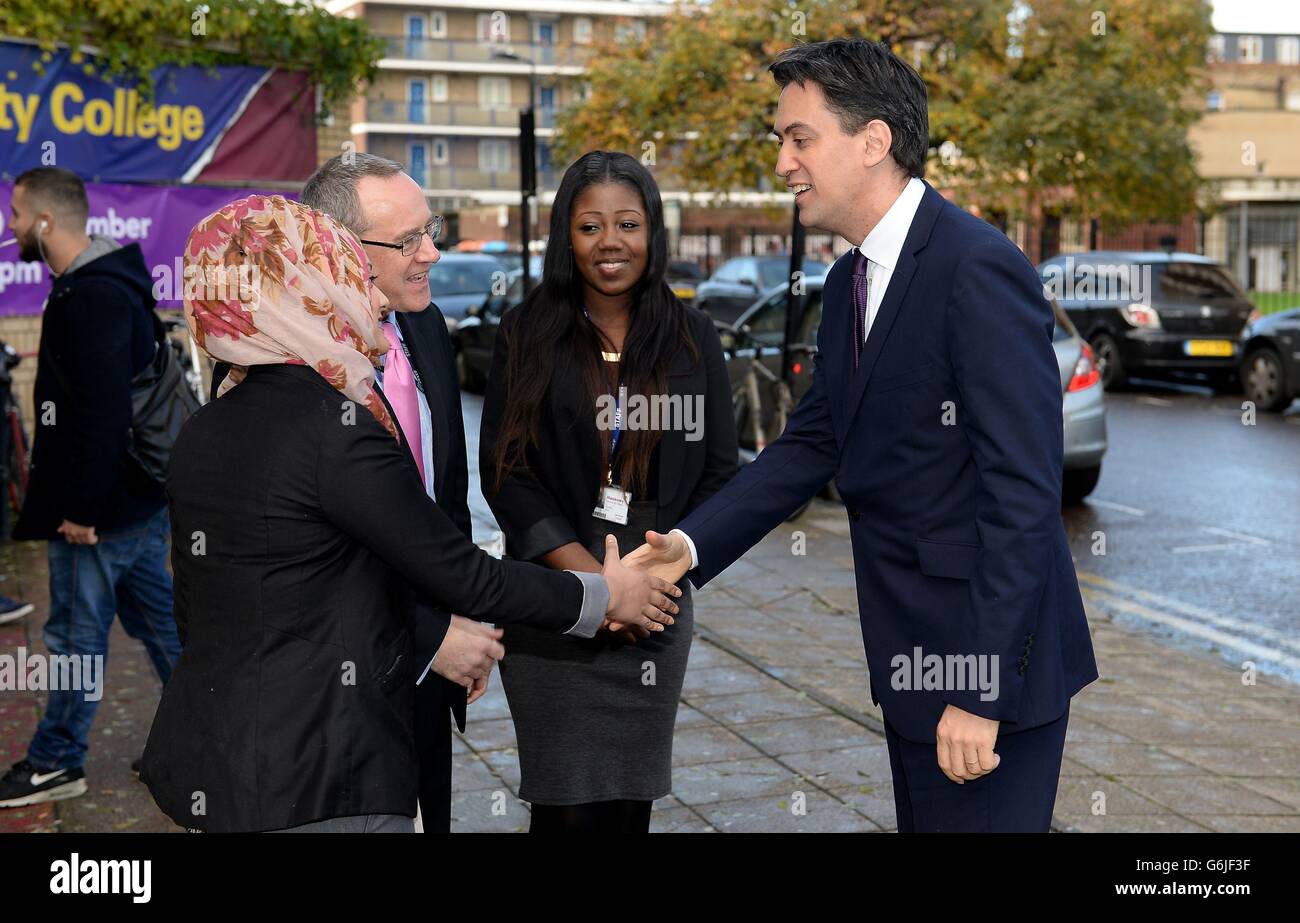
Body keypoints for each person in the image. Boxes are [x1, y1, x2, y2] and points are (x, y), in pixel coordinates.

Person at [626, 39, 1098, 832]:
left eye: (798, 137)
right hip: (910, 667)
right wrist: (689, 546)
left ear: (873, 141)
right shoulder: (850, 277)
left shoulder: (977, 266)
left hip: (981, 680)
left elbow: (1023, 498)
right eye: (781, 139)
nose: (782, 162)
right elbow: (812, 442)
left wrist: (978, 692)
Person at [140, 195, 680, 833]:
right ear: (305, 289)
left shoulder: (208, 426)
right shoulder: (332, 428)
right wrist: (604, 595)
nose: (370, 301)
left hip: (218, 768)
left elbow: (202, 606)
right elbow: (464, 575)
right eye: (349, 277)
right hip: (323, 776)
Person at [214, 153, 495, 833]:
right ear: (337, 247)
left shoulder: (424, 322)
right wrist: (431, 636)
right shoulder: (266, 361)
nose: (431, 252)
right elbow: (294, 557)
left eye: (430, 231)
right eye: (407, 241)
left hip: (432, 673)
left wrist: (459, 618)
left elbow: (442, 498)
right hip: (329, 691)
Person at [480, 151, 737, 833]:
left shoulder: (694, 337)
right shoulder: (525, 333)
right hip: (556, 601)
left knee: (629, 806)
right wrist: (598, 587)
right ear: (566, 235)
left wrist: (651, 583)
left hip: (657, 604)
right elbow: (507, 474)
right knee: (564, 809)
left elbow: (718, 473)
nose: (610, 241)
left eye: (627, 223)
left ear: (653, 231)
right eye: (590, 226)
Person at [0, 167, 182, 809]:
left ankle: (56, 761)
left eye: (17, 214)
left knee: (75, 643)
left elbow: (102, 413)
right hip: (135, 505)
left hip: (100, 516)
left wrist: (79, 509)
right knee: (166, 633)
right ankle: (199, 748)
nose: (11, 226)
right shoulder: (107, 283)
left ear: (46, 222)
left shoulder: (92, 296)